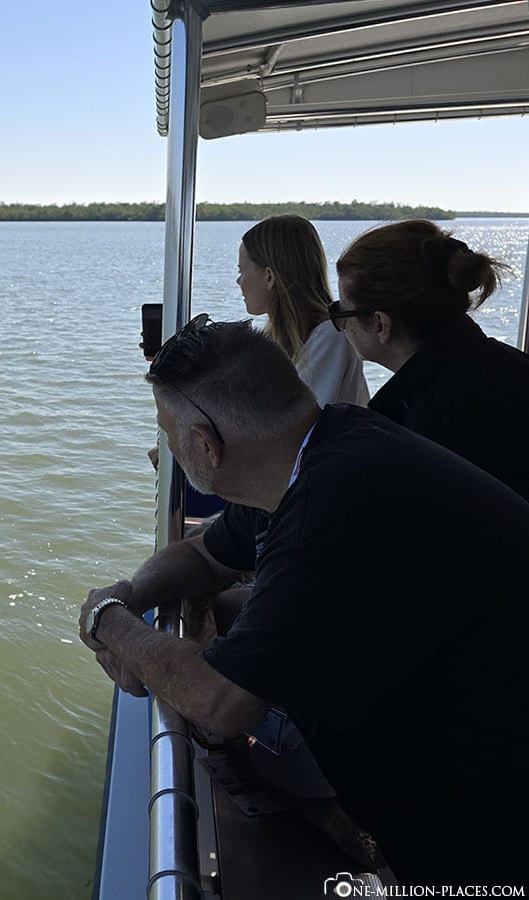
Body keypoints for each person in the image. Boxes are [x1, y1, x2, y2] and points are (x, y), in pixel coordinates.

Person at [78, 318, 529, 887]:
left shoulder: (331, 506)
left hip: (493, 818)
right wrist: (132, 593)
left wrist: (107, 621)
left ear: (204, 445)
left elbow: (220, 701)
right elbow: (206, 556)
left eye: (168, 432)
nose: (165, 446)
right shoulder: (322, 450)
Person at [333, 219, 529, 499]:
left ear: (380, 324)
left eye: (341, 312)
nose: (339, 324)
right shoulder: (506, 367)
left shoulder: (431, 429)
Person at [238, 215, 369, 406]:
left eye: (240, 271)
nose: (238, 282)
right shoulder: (280, 338)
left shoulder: (331, 336)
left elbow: (293, 424)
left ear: (269, 277)